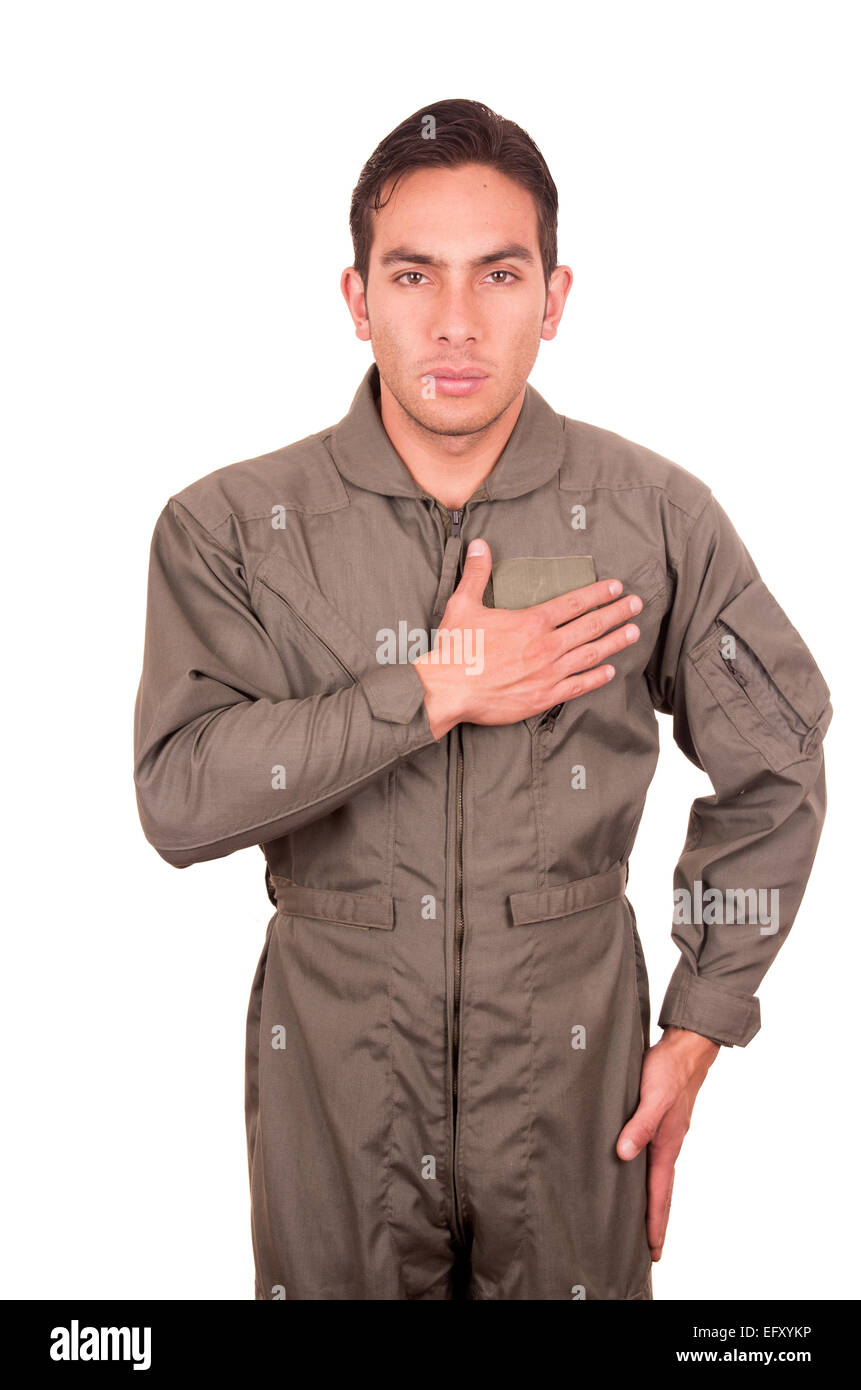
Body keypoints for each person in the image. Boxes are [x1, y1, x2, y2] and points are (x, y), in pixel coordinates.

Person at [133, 98, 832, 1300]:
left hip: (573, 1084)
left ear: (555, 298)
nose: (455, 323)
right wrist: (428, 689)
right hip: (337, 1080)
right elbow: (180, 799)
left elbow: (778, 765)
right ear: (357, 298)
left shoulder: (654, 517)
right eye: (413, 275)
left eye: (498, 275)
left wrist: (700, 1021)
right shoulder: (231, 529)